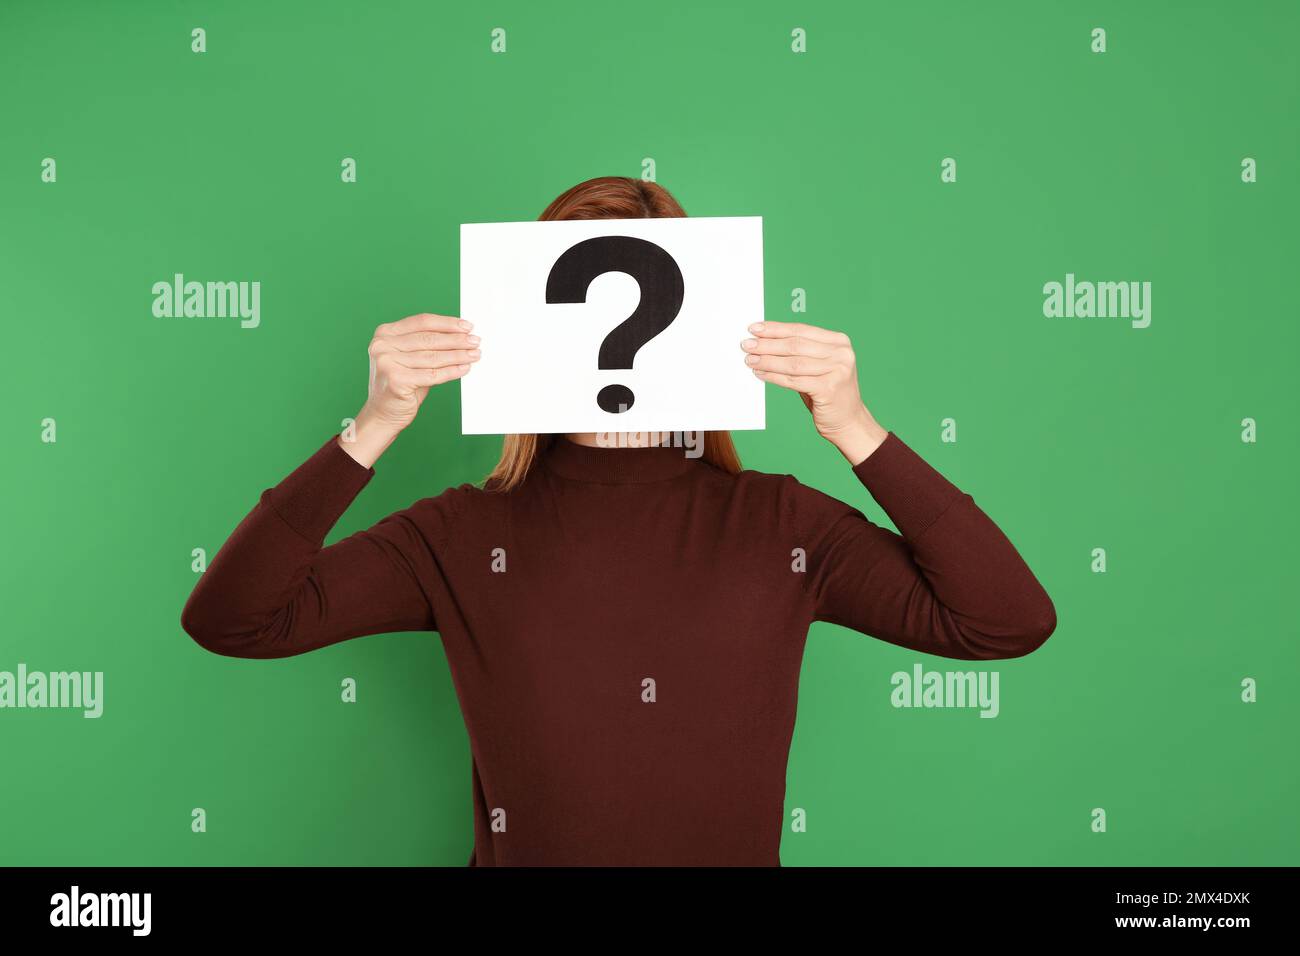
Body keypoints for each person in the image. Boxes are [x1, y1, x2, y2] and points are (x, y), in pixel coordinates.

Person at [181, 176, 1056, 866]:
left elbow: (1005, 621)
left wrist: (856, 429)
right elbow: (234, 620)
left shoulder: (782, 525)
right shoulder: (456, 536)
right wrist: (370, 427)